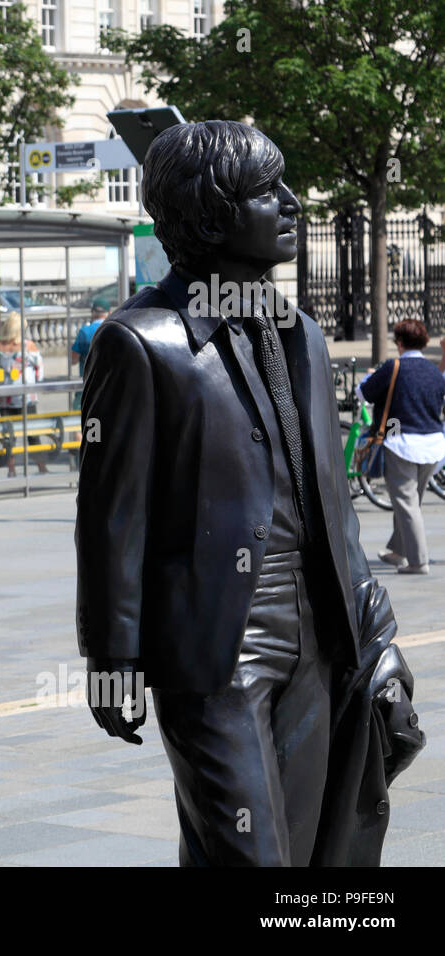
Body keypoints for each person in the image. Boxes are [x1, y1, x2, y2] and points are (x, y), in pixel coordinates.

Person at [76, 120, 421, 866]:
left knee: (311, 850)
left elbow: (331, 508)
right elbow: (112, 521)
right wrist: (112, 656)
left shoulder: (299, 332)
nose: (294, 204)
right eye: (269, 191)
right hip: (214, 644)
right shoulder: (141, 343)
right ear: (209, 211)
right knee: (247, 851)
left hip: (320, 631)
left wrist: (375, 636)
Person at [357, 319, 445, 574]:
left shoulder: (393, 367)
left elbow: (363, 394)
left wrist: (369, 378)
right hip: (433, 446)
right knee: (410, 500)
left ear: (399, 342)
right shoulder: (432, 371)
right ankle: (399, 551)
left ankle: (418, 561)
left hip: (401, 444)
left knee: (406, 503)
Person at [0, 315, 48, 475]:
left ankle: (11, 469)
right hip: (26, 397)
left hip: (5, 397)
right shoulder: (28, 346)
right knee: (32, 433)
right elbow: (39, 371)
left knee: (9, 435)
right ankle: (41, 466)